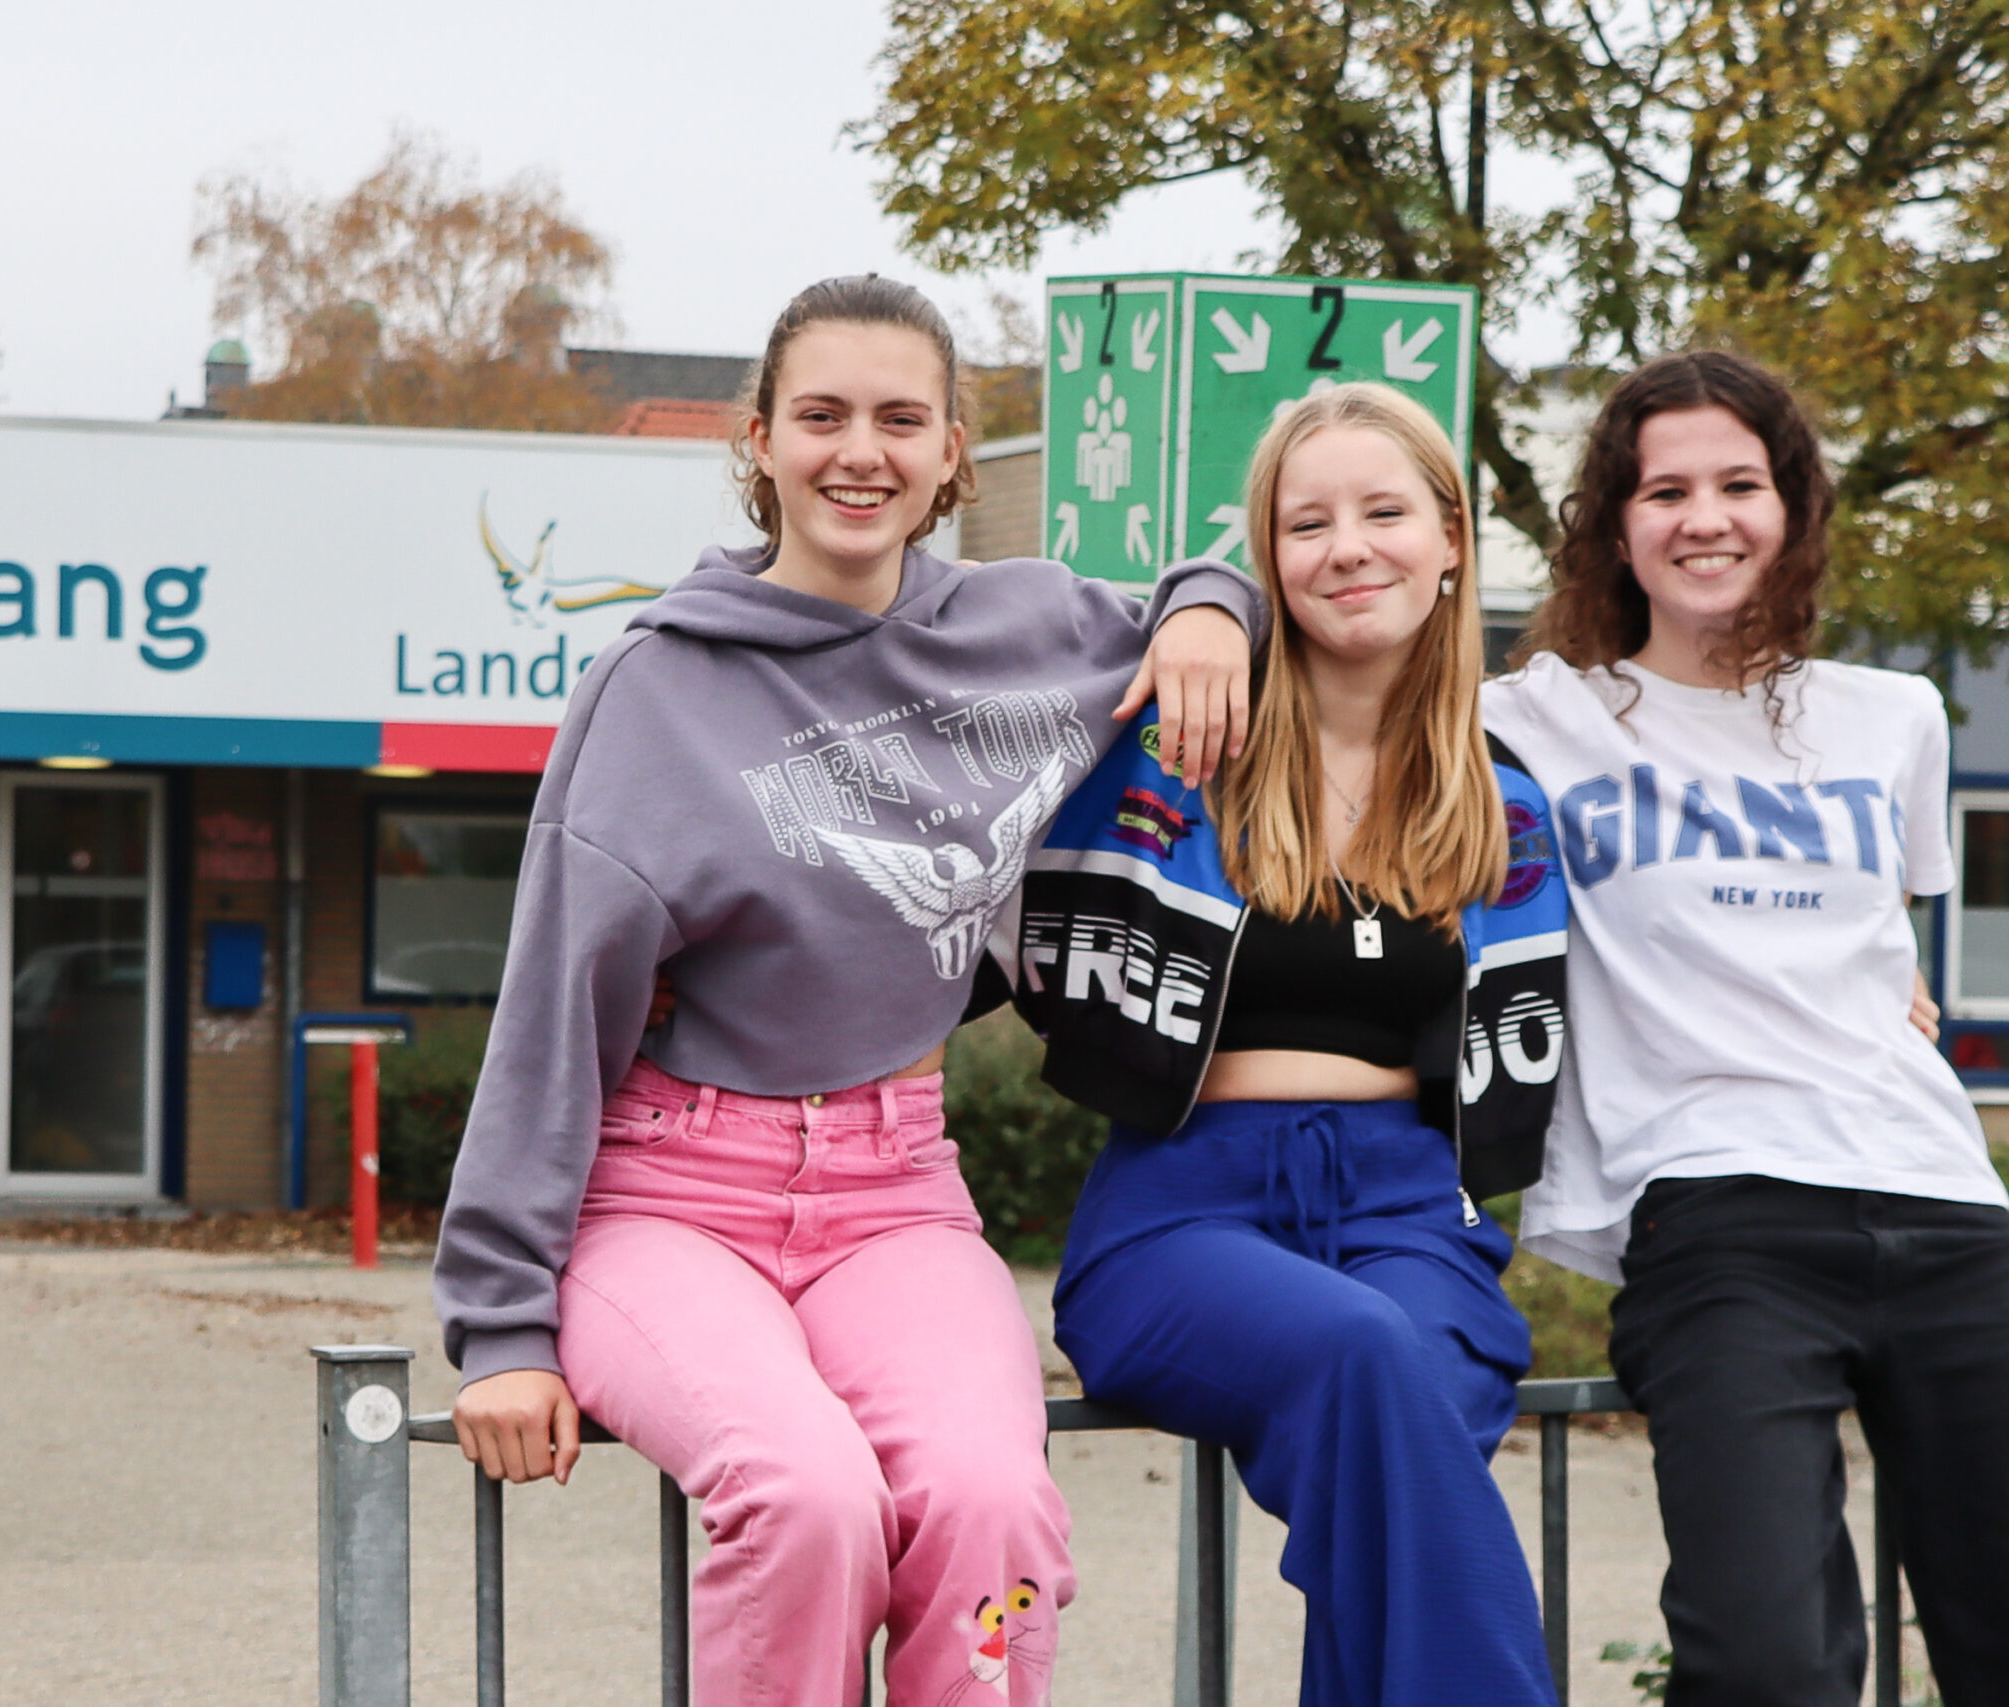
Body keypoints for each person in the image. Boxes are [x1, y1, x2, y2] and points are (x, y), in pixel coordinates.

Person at [431, 274, 1267, 1707]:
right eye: (819, 416)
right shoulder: (658, 685)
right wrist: (502, 1328)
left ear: (954, 451)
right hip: (671, 1195)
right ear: (757, 441)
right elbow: (553, 1013)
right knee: (807, 1497)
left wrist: (1207, 611)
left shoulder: (1033, 628)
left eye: (900, 418)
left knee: (994, 1510)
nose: (857, 452)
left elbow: (1198, 587)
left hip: (895, 1187)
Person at [1481, 349, 2009, 1706]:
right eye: (1664, 488)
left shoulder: (1892, 717)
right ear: (1615, 525)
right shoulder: (1535, 720)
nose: (1704, 517)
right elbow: (1335, 654)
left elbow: (1879, 941)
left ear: (1792, 507)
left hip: (1942, 1204)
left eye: (1739, 483)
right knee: (1764, 1664)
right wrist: (1212, 610)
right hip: (1717, 1221)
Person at [1008, 382, 1573, 1707]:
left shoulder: (1503, 805)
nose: (1348, 547)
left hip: (1405, 1212)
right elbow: (954, 846)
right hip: (1180, 1211)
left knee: (1405, 1434)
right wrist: (1196, 606)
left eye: (1385, 512)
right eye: (1305, 523)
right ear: (1268, 564)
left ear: (1450, 543)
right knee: (1373, 1364)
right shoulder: (1167, 753)